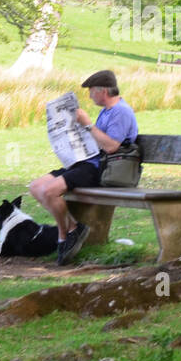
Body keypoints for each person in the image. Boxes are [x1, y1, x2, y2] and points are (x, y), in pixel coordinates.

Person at [29, 69, 138, 265]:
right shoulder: (107, 111)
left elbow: (112, 146)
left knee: (50, 191)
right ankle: (73, 228)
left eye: (91, 91)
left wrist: (88, 125)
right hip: (86, 162)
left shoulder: (121, 112)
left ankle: (65, 235)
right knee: (36, 187)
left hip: (101, 170)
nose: (89, 95)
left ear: (103, 91)